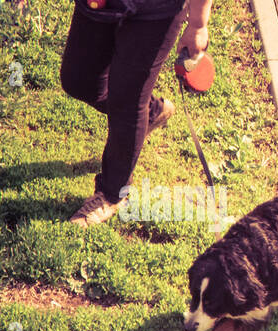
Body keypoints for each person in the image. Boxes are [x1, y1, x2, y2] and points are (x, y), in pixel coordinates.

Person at [60, 0, 213, 227]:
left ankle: (112, 194)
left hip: (157, 10)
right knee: (79, 82)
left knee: (128, 102)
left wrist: (198, 25)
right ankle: (150, 114)